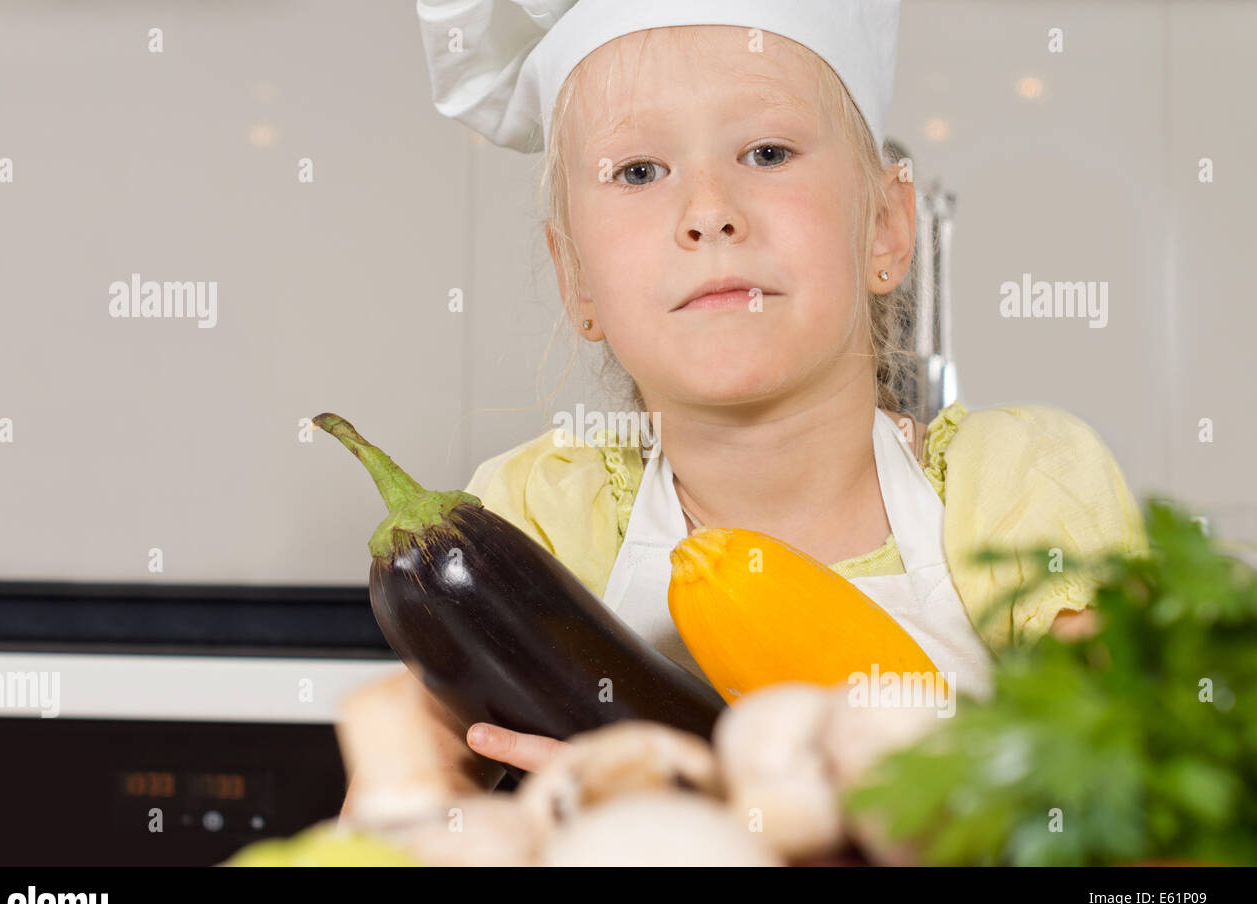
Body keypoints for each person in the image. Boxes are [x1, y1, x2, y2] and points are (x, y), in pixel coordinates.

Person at [341, 1, 1149, 814]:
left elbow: (1127, 809)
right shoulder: (540, 517)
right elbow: (409, 792)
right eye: (638, 172)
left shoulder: (1021, 489)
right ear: (575, 276)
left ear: (887, 230)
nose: (708, 211)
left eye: (767, 151)